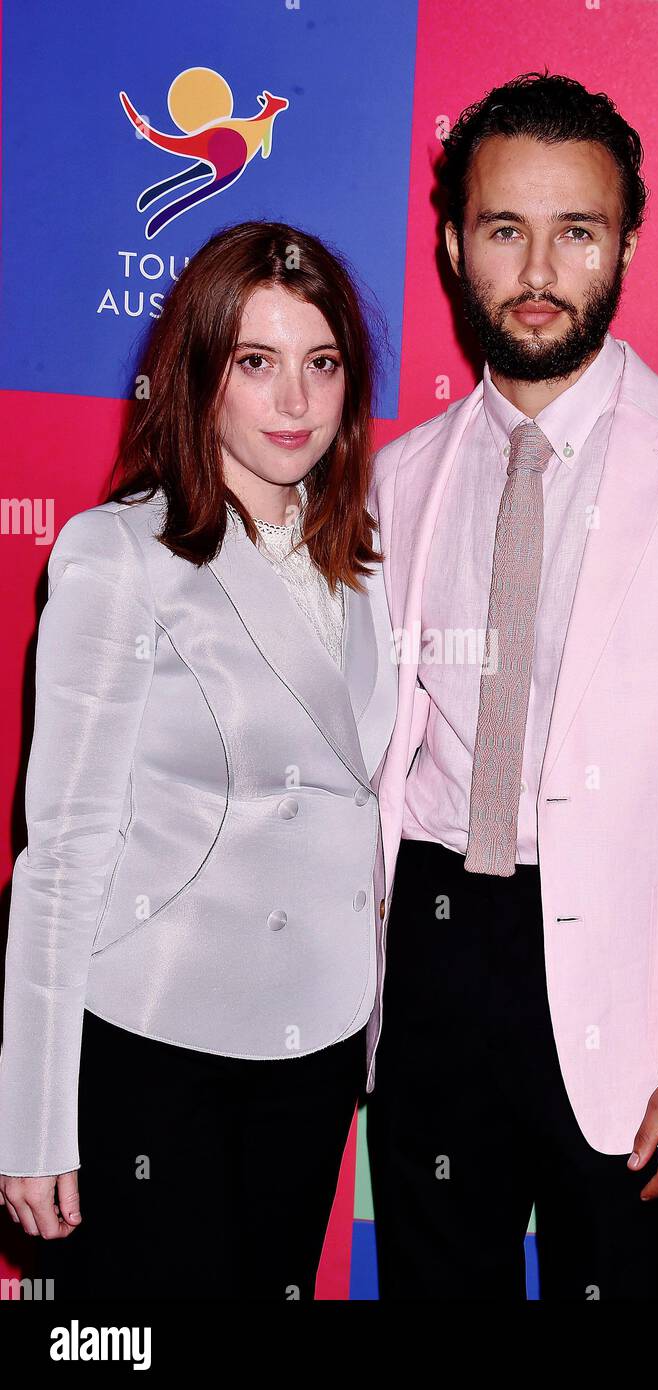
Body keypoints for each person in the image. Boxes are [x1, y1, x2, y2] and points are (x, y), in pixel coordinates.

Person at [364, 72, 658, 1300]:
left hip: (636, 981)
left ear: (624, 245)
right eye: (506, 230)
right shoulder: (396, 481)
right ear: (456, 246)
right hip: (431, 961)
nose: (540, 269)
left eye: (578, 231)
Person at [0, 220, 397, 1300]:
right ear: (201, 374)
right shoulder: (121, 553)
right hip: (153, 1036)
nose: (293, 401)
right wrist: (35, 1116)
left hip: (313, 1043)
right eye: (255, 363)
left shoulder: (366, 556)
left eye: (321, 365)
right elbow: (62, 850)